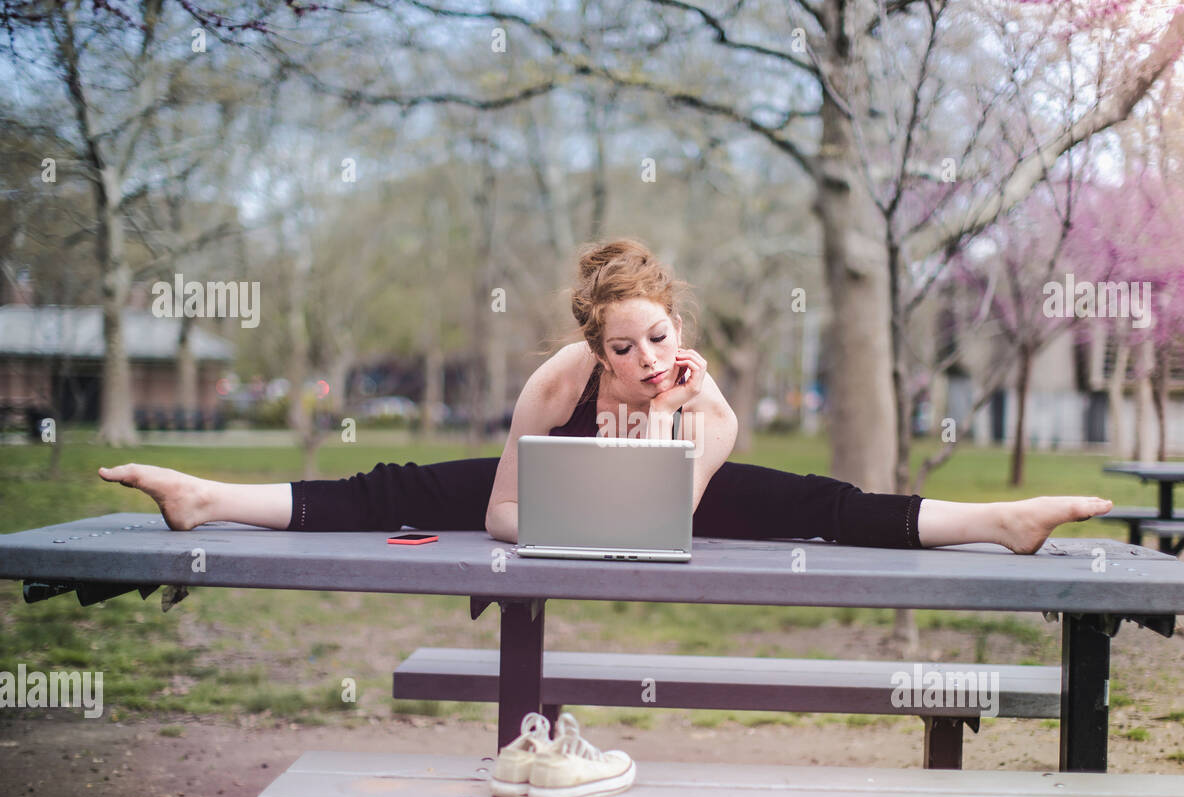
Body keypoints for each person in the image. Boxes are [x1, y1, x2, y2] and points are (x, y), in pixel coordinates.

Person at [98, 238, 1112, 552]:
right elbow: (499, 508)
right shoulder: (554, 383)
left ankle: (1003, 519)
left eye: (656, 337)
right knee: (391, 483)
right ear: (594, 344)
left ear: (677, 328)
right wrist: (541, 522)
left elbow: (667, 510)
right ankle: (204, 495)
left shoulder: (703, 401)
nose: (641, 354)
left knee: (821, 505)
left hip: (666, 491)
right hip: (549, 509)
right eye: (621, 345)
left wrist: (674, 415)